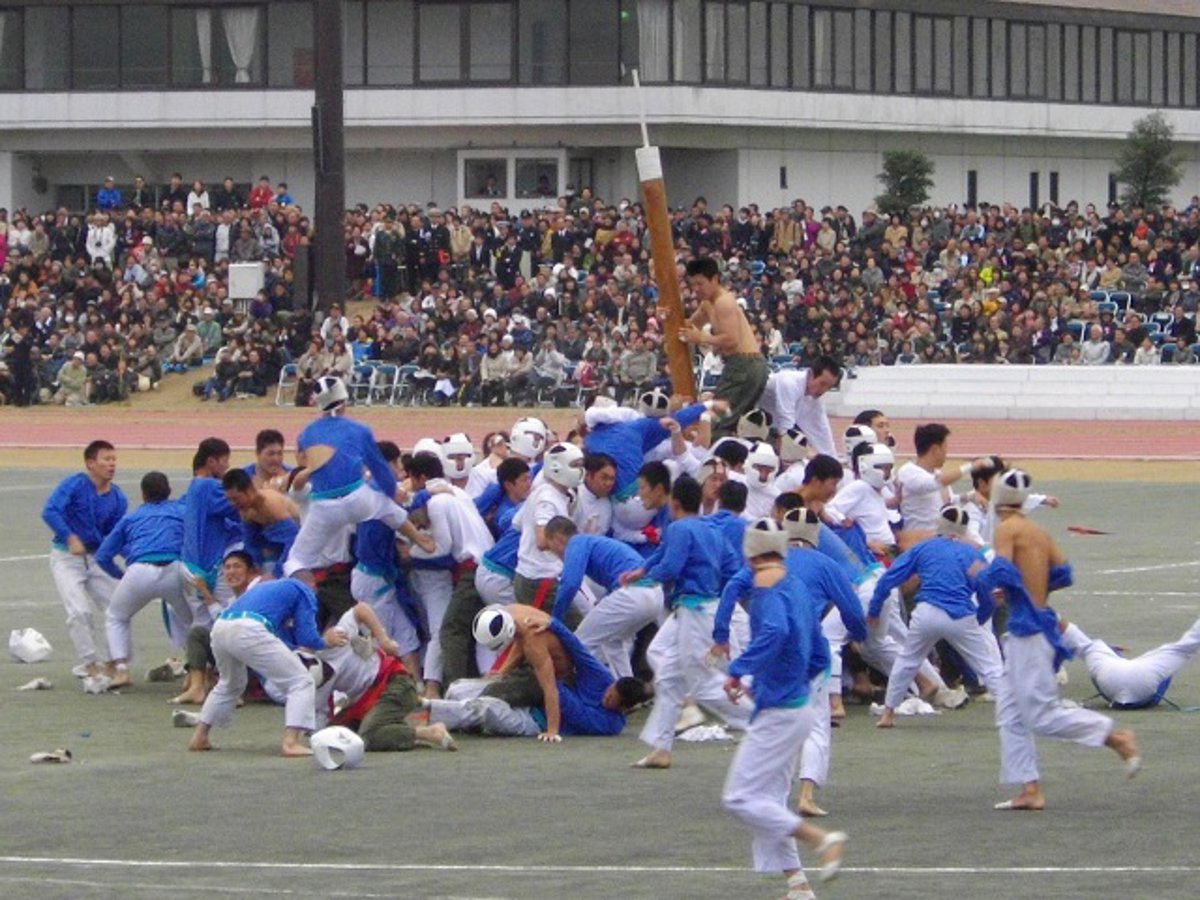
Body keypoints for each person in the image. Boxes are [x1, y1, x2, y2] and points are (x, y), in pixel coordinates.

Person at [976, 469, 1141, 811]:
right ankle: (1029, 788)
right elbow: (1064, 573)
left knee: (1041, 716)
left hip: (1027, 630)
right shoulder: (1038, 532)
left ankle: (1114, 737)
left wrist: (1004, 588)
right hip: (1036, 624)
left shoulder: (1006, 528)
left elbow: (1002, 571)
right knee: (1009, 712)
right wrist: (1036, 588)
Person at [721, 519, 847, 899]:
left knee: (740, 798)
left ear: (751, 552)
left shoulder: (766, 587)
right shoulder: (796, 586)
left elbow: (773, 632)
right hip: (799, 704)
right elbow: (819, 650)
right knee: (768, 801)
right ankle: (798, 885)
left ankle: (819, 839)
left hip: (780, 709)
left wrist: (740, 670)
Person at [624, 476, 749, 769]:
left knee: (702, 681)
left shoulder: (679, 528)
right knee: (668, 676)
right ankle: (662, 747)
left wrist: (647, 576)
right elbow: (732, 566)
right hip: (701, 607)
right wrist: (644, 569)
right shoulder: (710, 530)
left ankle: (760, 721)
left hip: (695, 609)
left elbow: (670, 565)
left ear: (674, 502)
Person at [428, 604, 650, 741]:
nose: (605, 695)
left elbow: (571, 708)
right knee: (459, 688)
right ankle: (445, 717)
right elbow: (578, 650)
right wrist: (552, 623)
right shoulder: (604, 679)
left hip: (535, 721)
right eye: (609, 690)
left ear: (623, 708)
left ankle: (426, 709)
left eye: (610, 699)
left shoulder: (610, 725)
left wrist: (552, 728)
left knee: (487, 707)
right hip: (541, 693)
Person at [285, 376, 433, 579]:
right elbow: (378, 467)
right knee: (386, 507)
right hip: (357, 498)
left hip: (323, 507)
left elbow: (305, 462)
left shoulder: (306, 434)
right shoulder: (360, 430)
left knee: (296, 559)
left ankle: (299, 589)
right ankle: (420, 539)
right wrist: (393, 492)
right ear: (344, 400)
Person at [870, 506, 1004, 729]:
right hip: (960, 615)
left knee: (907, 661)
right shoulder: (973, 555)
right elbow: (987, 592)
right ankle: (1012, 716)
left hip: (926, 612)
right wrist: (980, 618)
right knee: (988, 667)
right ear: (964, 530)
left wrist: (874, 610)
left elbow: (888, 579)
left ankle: (888, 713)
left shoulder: (923, 549)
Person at [188, 578, 348, 757]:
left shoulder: (269, 588)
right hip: (250, 629)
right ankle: (291, 742)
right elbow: (307, 637)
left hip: (221, 626)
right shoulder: (305, 592)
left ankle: (200, 736)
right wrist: (326, 641)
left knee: (229, 684)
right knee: (301, 681)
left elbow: (280, 638)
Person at [313, 605, 457, 752]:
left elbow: (361, 609)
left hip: (393, 683)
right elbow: (319, 717)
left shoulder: (337, 636)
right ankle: (394, 726)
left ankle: (426, 732)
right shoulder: (308, 670)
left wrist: (383, 640)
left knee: (369, 735)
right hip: (365, 700)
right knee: (334, 735)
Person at [96, 472, 192, 691]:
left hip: (139, 570)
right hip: (174, 569)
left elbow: (103, 555)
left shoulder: (131, 517)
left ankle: (121, 670)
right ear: (169, 492)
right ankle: (195, 671)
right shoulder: (180, 511)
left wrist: (121, 576)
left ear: (142, 494)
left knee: (116, 616)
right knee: (191, 621)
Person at [41, 440, 127, 682]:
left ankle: (114, 662)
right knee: (79, 611)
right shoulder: (75, 484)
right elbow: (50, 511)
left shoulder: (117, 497)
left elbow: (115, 533)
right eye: (106, 459)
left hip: (97, 557)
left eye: (114, 459)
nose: (112, 464)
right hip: (67, 557)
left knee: (117, 607)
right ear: (91, 463)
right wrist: (70, 538)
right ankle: (90, 664)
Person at [544, 516, 661, 679]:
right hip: (655, 595)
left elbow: (570, 583)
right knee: (613, 642)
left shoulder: (576, 542)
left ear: (557, 538)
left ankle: (580, 691)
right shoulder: (593, 542)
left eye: (551, 548)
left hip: (635, 593)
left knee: (579, 643)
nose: (555, 555)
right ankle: (626, 694)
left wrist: (554, 620)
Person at [678, 257, 769, 438]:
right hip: (742, 365)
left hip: (745, 364)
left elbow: (731, 340)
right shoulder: (707, 303)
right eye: (692, 284)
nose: (696, 289)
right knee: (731, 420)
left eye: (700, 284)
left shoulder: (723, 302)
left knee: (715, 420)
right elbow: (688, 324)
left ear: (714, 279)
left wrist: (701, 337)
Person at [1061, 616, 1200, 709]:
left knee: (1086, 646)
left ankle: (1043, 609)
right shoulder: (1100, 652)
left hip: (1110, 679)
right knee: (1182, 648)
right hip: (1144, 679)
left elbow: (1069, 632)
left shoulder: (1096, 649)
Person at [893, 423, 987, 545]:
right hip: (918, 542)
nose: (946, 453)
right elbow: (932, 484)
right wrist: (970, 466)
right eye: (945, 448)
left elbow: (948, 501)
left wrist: (970, 496)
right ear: (935, 450)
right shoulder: (908, 472)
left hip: (939, 538)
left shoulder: (937, 473)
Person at [757, 356, 841, 457]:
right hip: (749, 411)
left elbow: (822, 430)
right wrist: (812, 456)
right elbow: (786, 429)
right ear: (810, 374)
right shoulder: (789, 382)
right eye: (822, 383)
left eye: (829, 387)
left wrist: (832, 459)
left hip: (769, 423)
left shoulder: (815, 398)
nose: (824, 390)